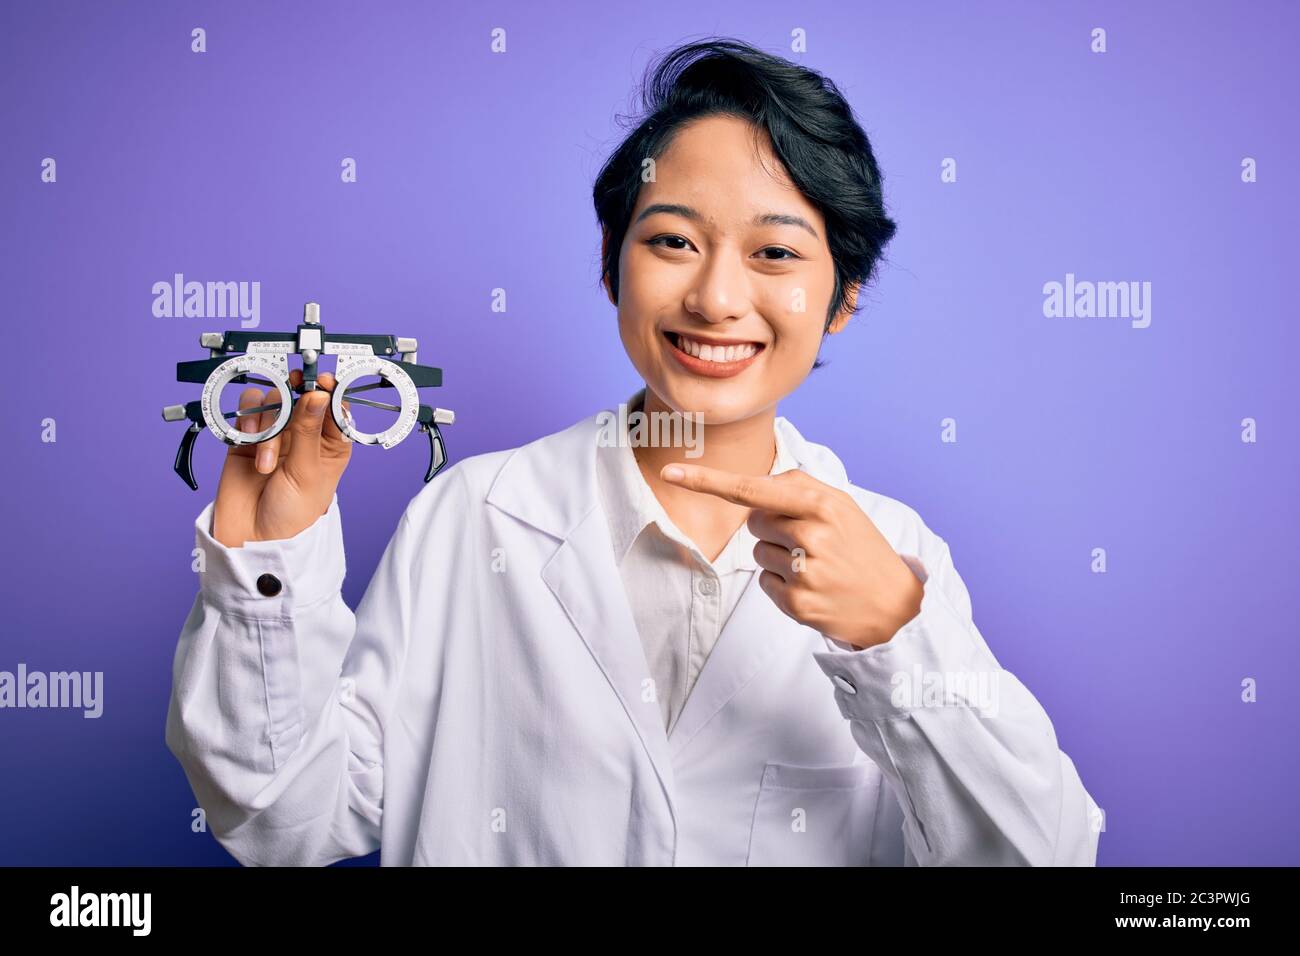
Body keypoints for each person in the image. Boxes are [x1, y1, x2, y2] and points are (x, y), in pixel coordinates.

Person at [165, 38, 1100, 866]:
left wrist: (898, 638)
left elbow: (1039, 859)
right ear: (611, 259)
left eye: (776, 254)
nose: (716, 297)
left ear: (842, 300)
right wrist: (266, 564)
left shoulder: (895, 555)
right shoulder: (471, 517)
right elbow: (286, 822)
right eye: (673, 241)